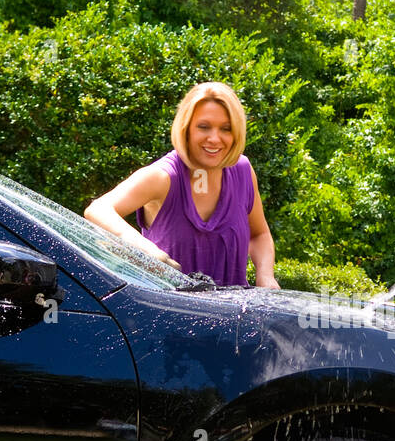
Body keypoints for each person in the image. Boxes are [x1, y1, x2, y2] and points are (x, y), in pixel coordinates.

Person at [84, 82, 279, 288]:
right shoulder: (163, 177)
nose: (214, 138)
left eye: (226, 129)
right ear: (186, 129)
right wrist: (144, 249)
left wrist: (265, 276)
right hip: (171, 314)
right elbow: (98, 210)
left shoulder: (243, 171)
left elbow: (259, 234)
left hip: (233, 315)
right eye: (203, 127)